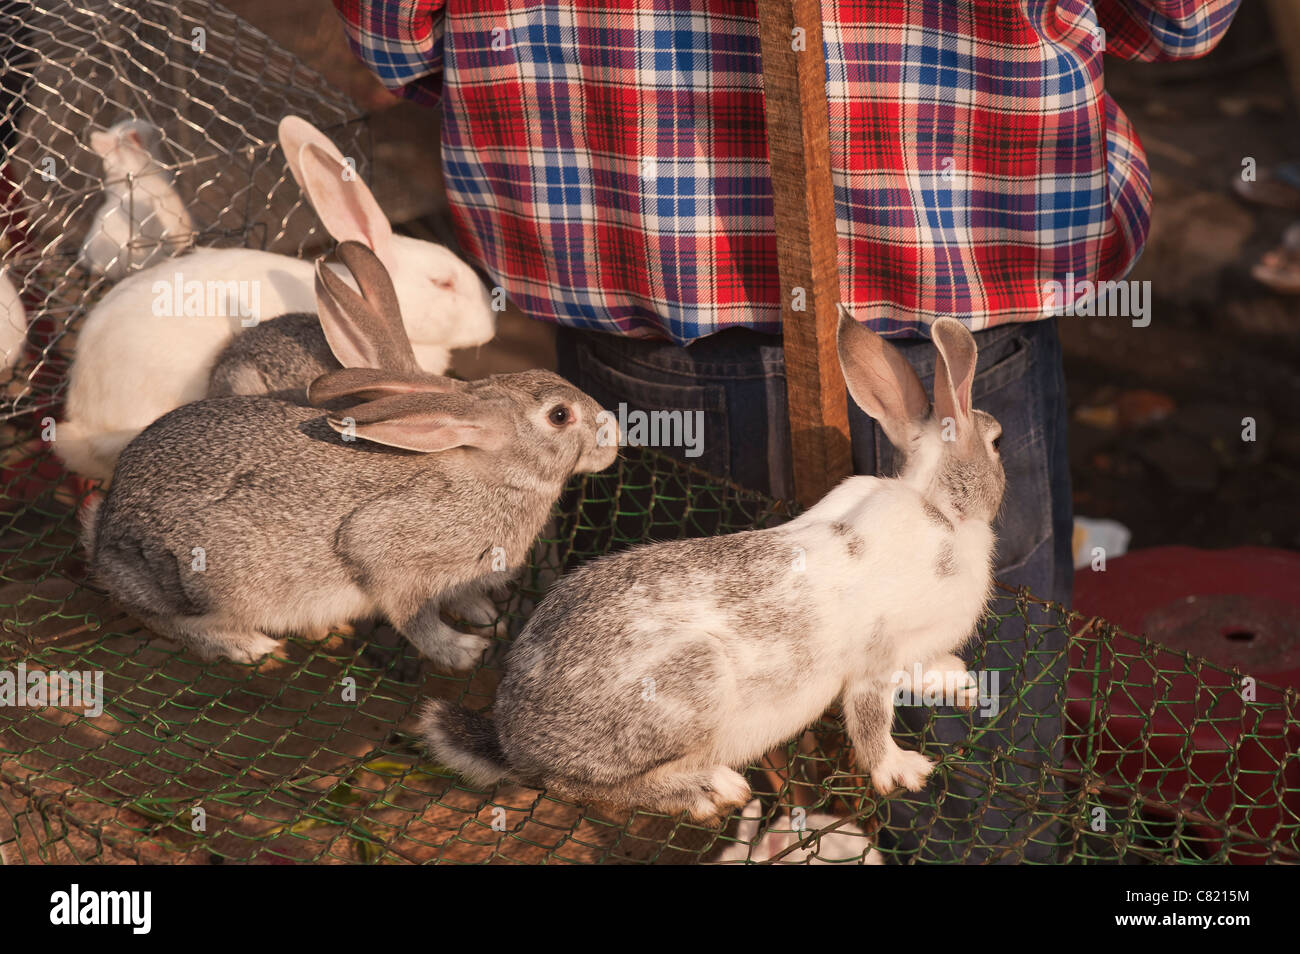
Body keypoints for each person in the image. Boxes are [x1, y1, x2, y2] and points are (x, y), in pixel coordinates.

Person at [331, 0, 1240, 862]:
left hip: (642, 279)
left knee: (670, 653)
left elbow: (397, 37)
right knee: (960, 757)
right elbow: (1181, 18)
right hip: (950, 266)